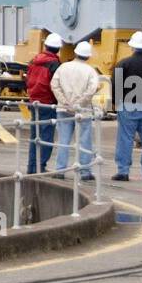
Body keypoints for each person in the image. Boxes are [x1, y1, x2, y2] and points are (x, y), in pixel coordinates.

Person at [112, 31, 142, 181]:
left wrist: (115, 102)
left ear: (132, 47)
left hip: (128, 105)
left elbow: (116, 85)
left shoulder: (123, 64)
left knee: (125, 138)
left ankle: (123, 171)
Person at [51, 40, 100, 181]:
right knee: (85, 141)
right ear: (88, 56)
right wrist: (78, 103)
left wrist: (65, 102)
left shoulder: (63, 67)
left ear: (75, 53)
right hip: (83, 111)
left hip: (63, 109)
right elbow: (91, 90)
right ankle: (85, 172)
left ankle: (60, 170)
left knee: (63, 140)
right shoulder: (90, 71)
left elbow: (54, 85)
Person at [25, 33, 63, 174]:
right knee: (46, 136)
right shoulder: (55, 64)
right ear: (58, 48)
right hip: (48, 103)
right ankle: (41, 166)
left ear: (45, 45)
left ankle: (31, 167)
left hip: (34, 101)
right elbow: (56, 85)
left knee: (34, 135)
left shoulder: (34, 60)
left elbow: (27, 79)